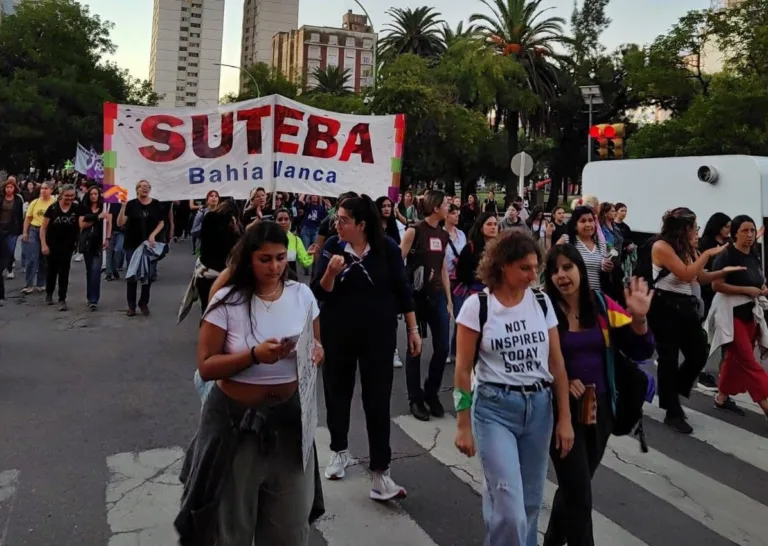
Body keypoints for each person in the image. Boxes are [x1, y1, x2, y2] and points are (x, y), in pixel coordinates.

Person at [176, 221, 324, 546]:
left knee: (289, 527)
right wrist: (254, 356)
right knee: (231, 528)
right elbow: (206, 366)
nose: (275, 267)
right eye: (265, 259)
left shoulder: (302, 295)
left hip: (289, 426)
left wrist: (315, 352)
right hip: (236, 427)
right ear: (249, 259)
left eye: (281, 258)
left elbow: (316, 344)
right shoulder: (227, 301)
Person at [454, 230, 574, 546]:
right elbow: (463, 370)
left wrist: (564, 419)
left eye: (535, 267)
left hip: (539, 409)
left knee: (530, 504)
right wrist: (463, 424)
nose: (533, 275)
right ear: (502, 265)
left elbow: (557, 363)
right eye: (524, 268)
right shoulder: (478, 306)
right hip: (494, 409)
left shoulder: (541, 302)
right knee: (509, 510)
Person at [543, 244, 655, 546]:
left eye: (568, 267)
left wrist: (639, 319)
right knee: (579, 495)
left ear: (580, 268)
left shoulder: (602, 305)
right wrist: (561, 382)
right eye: (555, 270)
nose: (562, 275)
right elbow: (531, 361)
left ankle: (552, 541)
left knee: (574, 488)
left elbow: (641, 350)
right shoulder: (543, 310)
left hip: (601, 410)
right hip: (560, 412)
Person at [313, 195, 420, 499]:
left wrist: (412, 328)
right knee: (337, 393)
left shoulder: (387, 248)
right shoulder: (333, 246)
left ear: (361, 224)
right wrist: (331, 273)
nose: (337, 225)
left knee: (377, 399)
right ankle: (339, 450)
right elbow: (318, 292)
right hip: (338, 334)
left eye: (344, 220)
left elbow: (402, 289)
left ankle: (380, 473)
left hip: (379, 336)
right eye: (337, 219)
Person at [648, 207, 730, 433]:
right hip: (664, 306)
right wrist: (707, 254)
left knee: (698, 353)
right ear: (684, 228)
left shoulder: (687, 247)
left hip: (685, 306)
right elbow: (685, 274)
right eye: (694, 227)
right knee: (668, 358)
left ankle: (673, 390)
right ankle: (672, 411)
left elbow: (698, 276)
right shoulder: (661, 246)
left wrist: (723, 272)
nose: (697, 231)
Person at [400, 190, 453, 421]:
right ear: (436, 207)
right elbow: (398, 262)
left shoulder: (443, 235)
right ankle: (415, 398)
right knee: (416, 348)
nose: (449, 208)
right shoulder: (414, 231)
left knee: (443, 348)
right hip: (416, 298)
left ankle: (432, 392)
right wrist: (402, 295)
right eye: (446, 204)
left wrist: (449, 300)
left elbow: (442, 268)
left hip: (437, 296)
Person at [709, 215, 768, 418]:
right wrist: (746, 290)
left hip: (750, 313)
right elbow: (716, 285)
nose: (750, 235)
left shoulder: (753, 254)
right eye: (745, 231)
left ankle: (721, 398)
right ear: (735, 233)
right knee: (747, 361)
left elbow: (758, 279)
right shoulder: (726, 255)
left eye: (752, 230)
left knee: (734, 359)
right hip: (730, 313)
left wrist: (762, 288)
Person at [117, 180, 165, 317]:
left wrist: (153, 235)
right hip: (132, 244)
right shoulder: (131, 204)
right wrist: (123, 207)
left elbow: (161, 222)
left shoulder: (155, 204)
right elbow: (120, 223)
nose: (145, 189)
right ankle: (131, 306)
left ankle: (143, 303)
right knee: (132, 275)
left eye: (147, 187)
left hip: (150, 245)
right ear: (137, 189)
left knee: (148, 275)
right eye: (142, 187)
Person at [196, 199, 241, 312]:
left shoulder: (209, 217)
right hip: (224, 272)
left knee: (207, 307)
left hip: (206, 270)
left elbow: (202, 238)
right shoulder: (232, 225)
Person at [41, 184, 80, 311]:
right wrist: (43, 244)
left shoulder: (76, 208)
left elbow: (80, 225)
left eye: (72, 196)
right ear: (61, 195)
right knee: (51, 271)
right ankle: (49, 293)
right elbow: (43, 228)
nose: (69, 198)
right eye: (67, 195)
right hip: (52, 245)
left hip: (67, 246)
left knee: (64, 272)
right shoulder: (53, 208)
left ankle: (62, 299)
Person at [78, 185, 111, 310]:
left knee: (96, 270)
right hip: (87, 242)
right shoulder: (84, 208)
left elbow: (109, 223)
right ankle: (89, 296)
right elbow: (82, 224)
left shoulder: (104, 207)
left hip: (99, 242)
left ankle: (94, 299)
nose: (93, 196)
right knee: (89, 270)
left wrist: (107, 238)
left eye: (95, 194)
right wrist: (97, 217)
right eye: (91, 194)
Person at [21, 181, 55, 295]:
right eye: (42, 188)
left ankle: (41, 283)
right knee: (32, 258)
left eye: (46, 188)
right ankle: (28, 284)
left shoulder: (55, 203)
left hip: (48, 232)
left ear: (51, 190)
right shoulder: (35, 202)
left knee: (44, 259)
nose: (43, 191)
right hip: (34, 230)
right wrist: (25, 232)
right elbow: (28, 218)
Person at [566, 206, 611, 292]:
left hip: (598, 295)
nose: (588, 224)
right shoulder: (567, 241)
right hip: (576, 295)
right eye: (583, 221)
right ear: (575, 225)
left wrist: (608, 268)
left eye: (591, 220)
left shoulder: (601, 244)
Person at [0, 179, 23, 300]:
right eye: (7, 187)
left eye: (11, 187)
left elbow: (20, 215)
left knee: (10, 250)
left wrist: (21, 229)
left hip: (12, 229)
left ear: (14, 188)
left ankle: (9, 268)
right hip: (1, 228)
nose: (9, 189)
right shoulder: (1, 198)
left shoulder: (18, 200)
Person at [275, 208, 314, 278]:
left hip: (291, 280)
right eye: (280, 219)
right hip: (273, 279)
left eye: (286, 219)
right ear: (275, 222)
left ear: (290, 221)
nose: (283, 222)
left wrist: (309, 254)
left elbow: (305, 262)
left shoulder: (296, 240)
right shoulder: (268, 239)